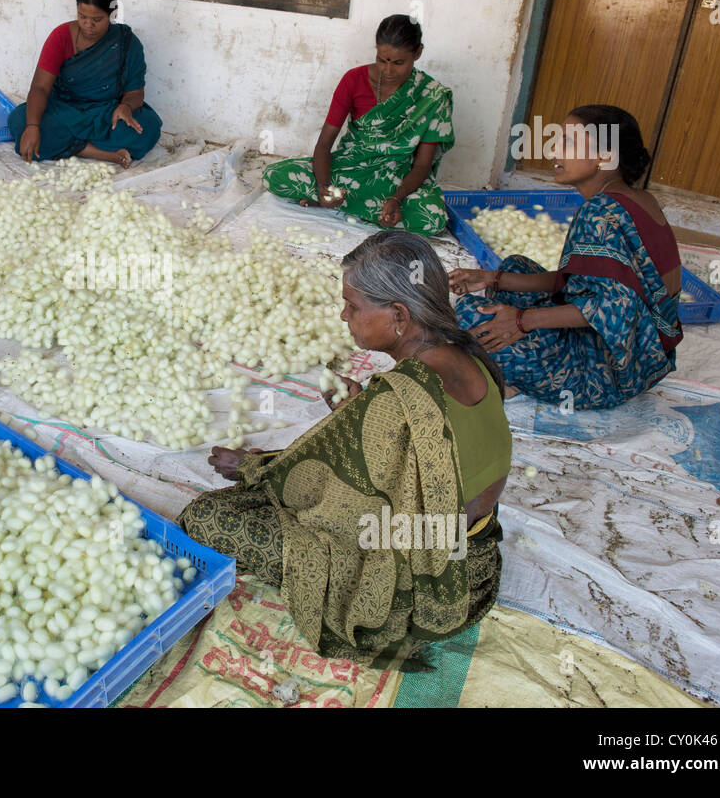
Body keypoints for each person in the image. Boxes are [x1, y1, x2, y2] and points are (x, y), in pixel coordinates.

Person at [179, 231, 510, 662]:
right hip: (477, 565)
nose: (342, 315)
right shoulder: (468, 357)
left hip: (426, 588)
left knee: (209, 517)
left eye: (353, 306)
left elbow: (327, 493)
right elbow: (413, 456)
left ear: (398, 315)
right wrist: (357, 413)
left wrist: (255, 466)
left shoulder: (396, 400)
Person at [450, 105, 682, 410]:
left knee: (472, 314)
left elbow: (612, 307)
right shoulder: (634, 198)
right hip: (641, 361)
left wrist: (521, 321)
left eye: (569, 143)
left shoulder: (600, 213)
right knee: (512, 267)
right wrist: (493, 278)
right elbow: (582, 280)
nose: (554, 151)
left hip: (609, 375)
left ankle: (508, 379)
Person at [263, 15, 455, 235]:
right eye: (382, 60)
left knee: (433, 220)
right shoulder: (353, 80)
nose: (388, 71)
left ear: (418, 53)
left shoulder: (432, 96)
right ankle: (368, 210)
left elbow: (422, 165)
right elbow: (324, 144)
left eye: (398, 63)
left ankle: (372, 208)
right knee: (274, 175)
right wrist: (324, 187)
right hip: (351, 169)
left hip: (398, 179)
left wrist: (396, 198)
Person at [9, 0, 162, 168]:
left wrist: (126, 107)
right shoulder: (60, 37)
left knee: (149, 128)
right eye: (82, 17)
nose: (88, 25)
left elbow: (135, 92)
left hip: (106, 112)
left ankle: (71, 146)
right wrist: (32, 126)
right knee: (19, 121)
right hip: (64, 110)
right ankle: (102, 153)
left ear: (113, 14)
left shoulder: (127, 43)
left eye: (97, 19)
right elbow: (40, 87)